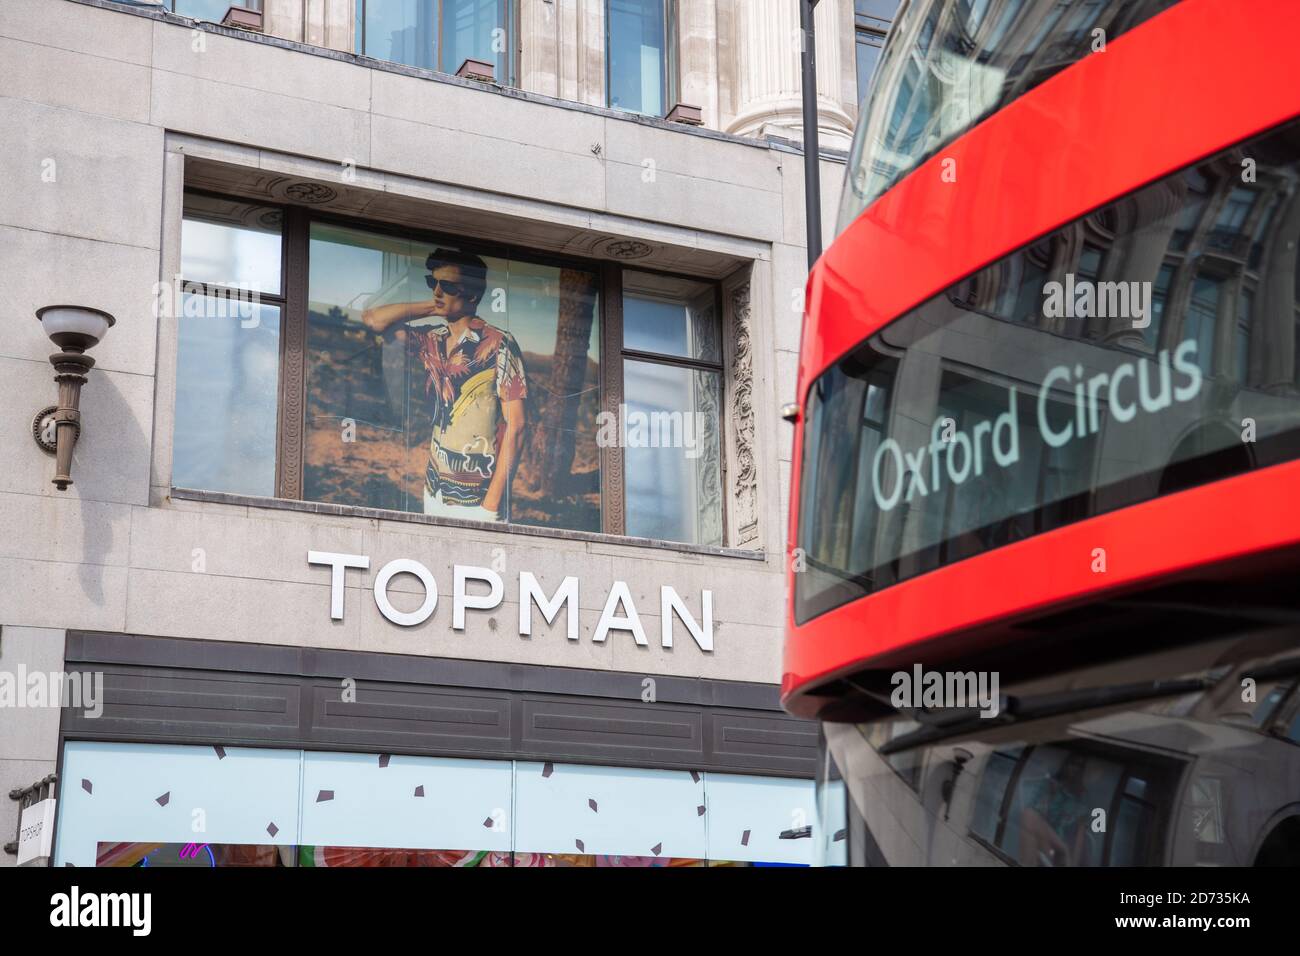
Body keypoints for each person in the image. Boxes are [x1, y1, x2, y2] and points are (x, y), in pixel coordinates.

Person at [361, 249, 527, 522]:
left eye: (447, 286)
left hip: (478, 499)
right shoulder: (432, 340)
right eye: (432, 283)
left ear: (472, 295)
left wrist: (490, 506)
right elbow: (374, 320)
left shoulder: (498, 344)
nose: (437, 291)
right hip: (434, 489)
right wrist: (434, 306)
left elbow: (517, 427)